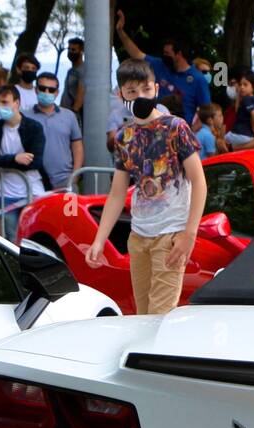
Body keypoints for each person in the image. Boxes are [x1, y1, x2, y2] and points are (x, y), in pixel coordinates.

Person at [87, 81, 207, 316]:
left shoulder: (176, 127)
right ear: (122, 95)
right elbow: (117, 193)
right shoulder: (125, 136)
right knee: (144, 316)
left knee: (157, 318)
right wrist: (99, 240)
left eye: (145, 90)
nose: (140, 97)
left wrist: (188, 234)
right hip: (139, 236)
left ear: (155, 90)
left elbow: (200, 182)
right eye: (132, 92)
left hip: (170, 235)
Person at [114, 12, 210, 124]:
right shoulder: (159, 65)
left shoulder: (198, 79)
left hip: (182, 131)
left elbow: (206, 111)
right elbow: (137, 54)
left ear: (178, 54)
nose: (164, 56)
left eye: (167, 53)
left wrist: (194, 130)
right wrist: (120, 31)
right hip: (156, 128)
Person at [0, 85, 48, 238]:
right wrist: (15, 158)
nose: (0, 107)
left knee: (34, 237)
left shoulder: (34, 127)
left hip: (33, 191)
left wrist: (3, 162)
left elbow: (36, 161)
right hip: (5, 193)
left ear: (17, 103)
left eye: (5, 102)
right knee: (10, 239)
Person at [24, 71, 83, 189]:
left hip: (65, 180)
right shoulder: (24, 117)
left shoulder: (69, 116)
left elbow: (77, 146)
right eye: (42, 88)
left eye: (51, 90)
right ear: (36, 90)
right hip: (33, 181)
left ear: (57, 92)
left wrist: (75, 175)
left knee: (68, 208)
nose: (47, 92)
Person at [223, 68, 254, 149]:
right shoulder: (229, 111)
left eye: (233, 84)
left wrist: (236, 149)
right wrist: (220, 142)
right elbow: (221, 136)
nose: (240, 87)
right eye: (239, 84)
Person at [61, 37, 84, 116]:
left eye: (73, 50)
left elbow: (81, 94)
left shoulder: (84, 70)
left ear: (81, 51)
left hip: (73, 114)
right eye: (69, 49)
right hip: (64, 112)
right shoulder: (70, 71)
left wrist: (73, 112)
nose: (70, 52)